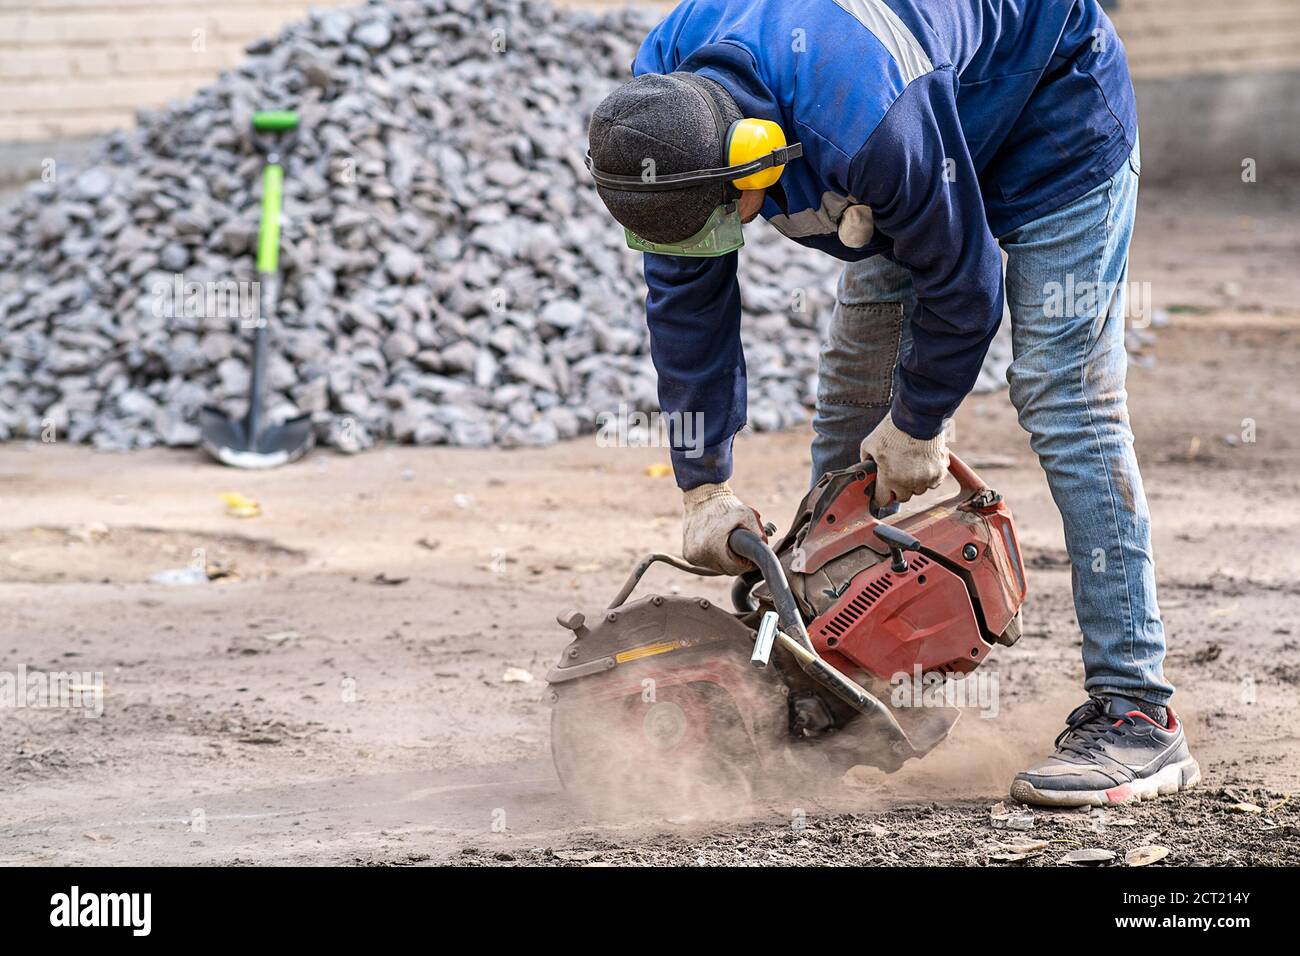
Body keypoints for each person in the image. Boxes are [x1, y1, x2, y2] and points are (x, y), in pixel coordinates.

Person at [584, 0, 1199, 807]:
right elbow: (688, 300)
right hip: (914, 136)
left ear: (754, 157)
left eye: (723, 223)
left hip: (1051, 110)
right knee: (852, 396)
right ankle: (839, 675)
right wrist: (703, 483)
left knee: (1063, 395)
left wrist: (918, 427)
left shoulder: (865, 118)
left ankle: (1138, 715)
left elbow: (965, 282)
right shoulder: (660, 125)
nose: (718, 244)